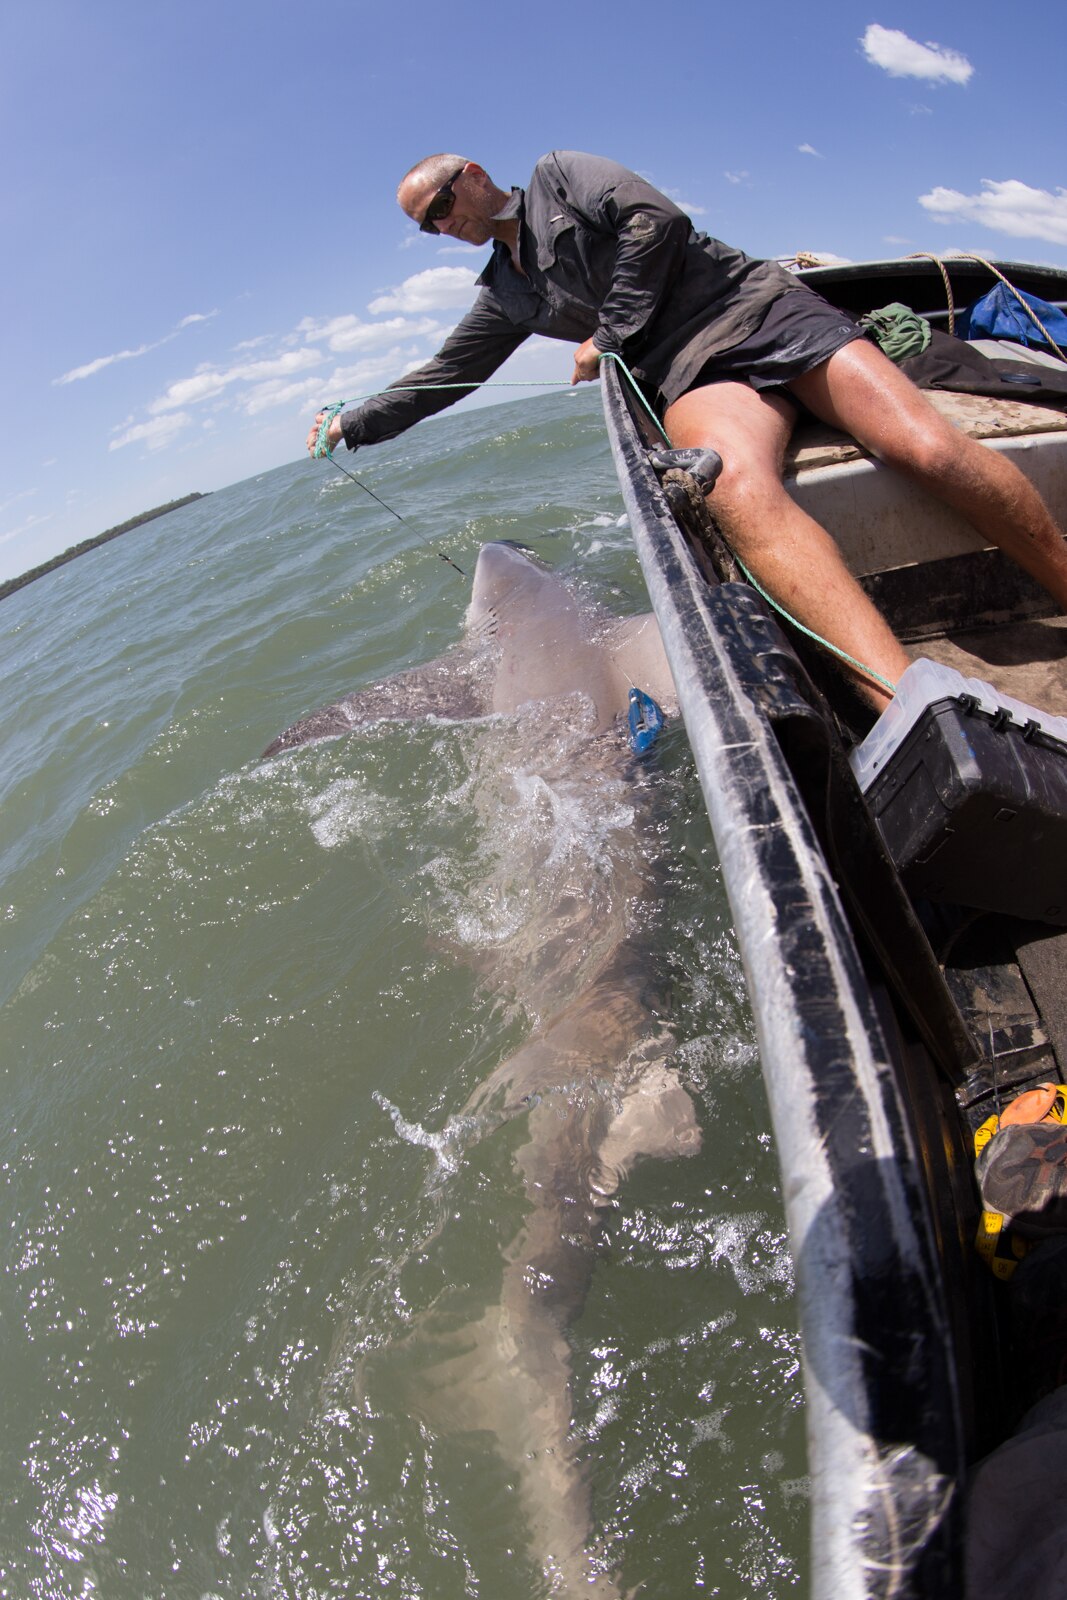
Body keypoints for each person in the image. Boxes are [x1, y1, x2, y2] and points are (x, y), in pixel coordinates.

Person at [306, 151, 1067, 709]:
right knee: (732, 491)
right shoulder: (504, 290)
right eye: (427, 227)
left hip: (761, 311)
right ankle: (912, 706)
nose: (443, 227)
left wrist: (608, 333)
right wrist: (350, 423)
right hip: (692, 372)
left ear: (471, 175)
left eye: (440, 206)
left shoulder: (559, 176)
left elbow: (656, 221)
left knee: (922, 446)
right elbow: (449, 372)